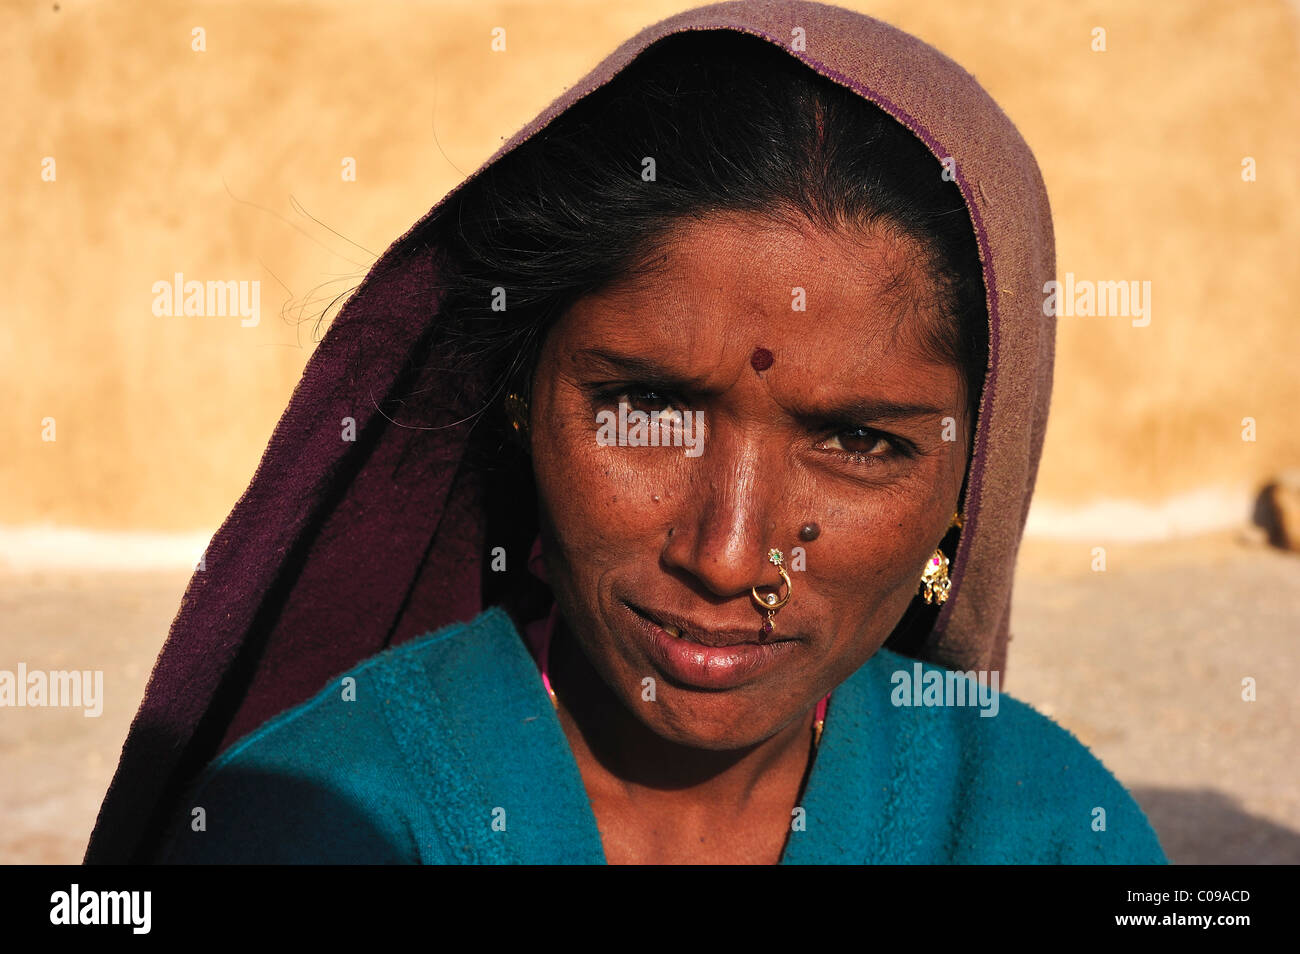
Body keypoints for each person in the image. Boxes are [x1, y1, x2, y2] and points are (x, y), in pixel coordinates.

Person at [86, 0, 1167, 865]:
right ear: (519, 398)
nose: (728, 554)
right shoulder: (318, 824)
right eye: (647, 411)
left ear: (970, 479)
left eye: (858, 442)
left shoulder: (1045, 829)